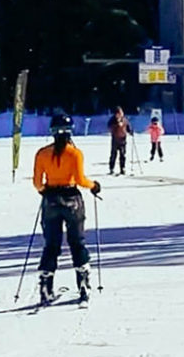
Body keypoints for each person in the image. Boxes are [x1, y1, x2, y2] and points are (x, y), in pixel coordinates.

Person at [32, 111, 101, 304]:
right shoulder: (75, 153)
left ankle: (46, 286)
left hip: (51, 199)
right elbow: (80, 179)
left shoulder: (42, 153)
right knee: (77, 242)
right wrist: (94, 185)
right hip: (72, 199)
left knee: (51, 244)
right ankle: (83, 283)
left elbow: (37, 183)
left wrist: (45, 191)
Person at [107, 107, 131, 175]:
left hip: (123, 139)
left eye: (121, 113)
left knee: (123, 154)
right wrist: (117, 125)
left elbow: (127, 126)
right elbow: (109, 127)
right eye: (119, 113)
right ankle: (111, 168)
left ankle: (122, 168)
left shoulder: (124, 119)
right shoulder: (112, 120)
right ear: (116, 114)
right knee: (113, 154)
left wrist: (130, 131)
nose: (120, 114)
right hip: (115, 139)